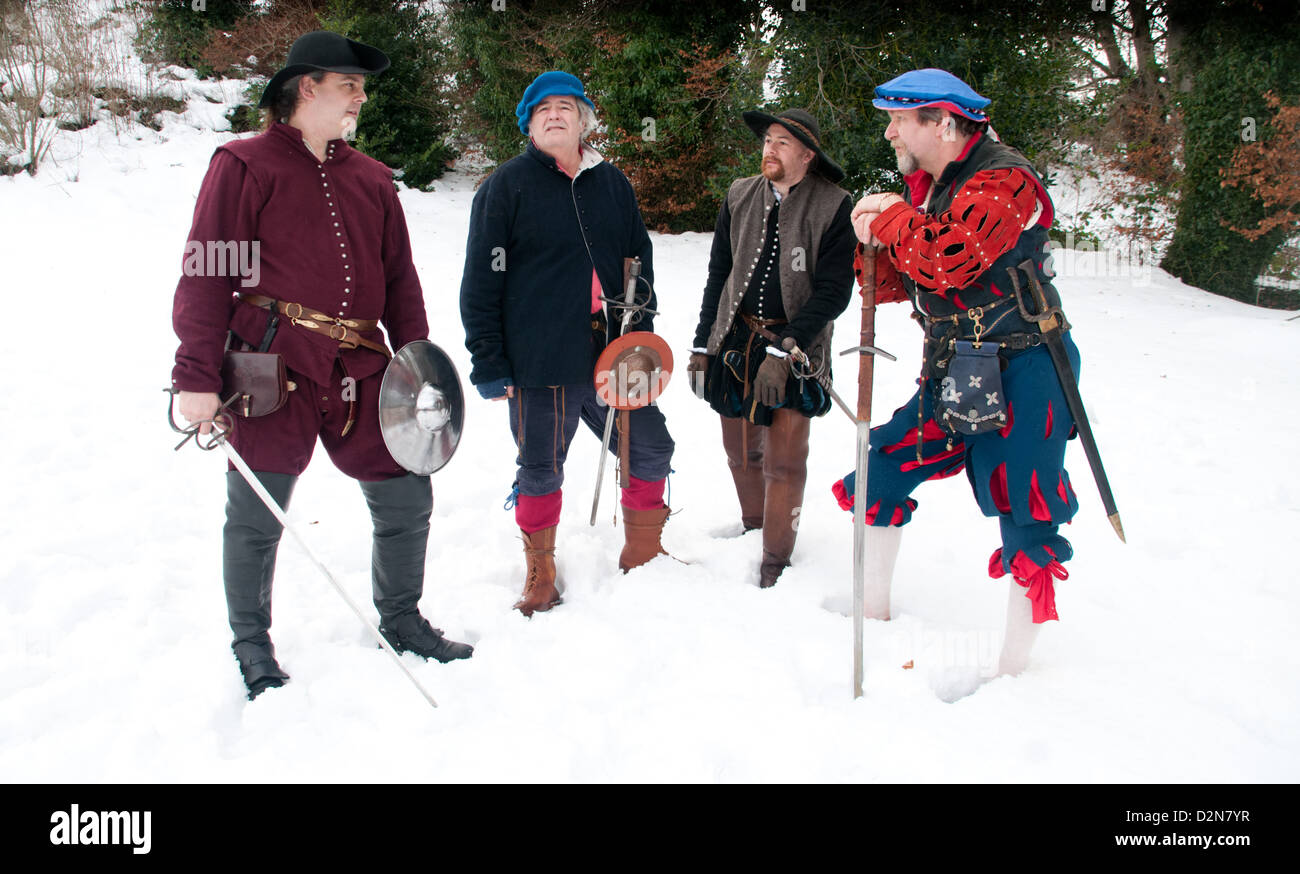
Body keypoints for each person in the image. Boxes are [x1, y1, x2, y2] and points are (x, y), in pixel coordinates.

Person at [171, 31, 472, 700]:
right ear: (307, 88)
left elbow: (400, 279)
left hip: (364, 369)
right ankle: (252, 646)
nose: (362, 97)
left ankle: (400, 619)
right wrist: (196, 375)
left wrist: (416, 362)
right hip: (270, 369)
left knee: (405, 491)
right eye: (349, 85)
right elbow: (206, 274)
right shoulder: (244, 165)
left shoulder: (370, 178)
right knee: (257, 513)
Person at [835, 68, 1082, 675]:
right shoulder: (928, 188)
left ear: (942, 122)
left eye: (900, 120)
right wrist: (868, 247)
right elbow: (911, 282)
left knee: (1024, 508)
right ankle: (872, 612)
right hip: (955, 367)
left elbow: (953, 260)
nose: (890, 134)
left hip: (1027, 367)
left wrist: (893, 220)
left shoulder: (1005, 180)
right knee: (883, 466)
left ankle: (1014, 670)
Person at [459, 71, 675, 616]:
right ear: (528, 125)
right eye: (541, 109)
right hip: (538, 356)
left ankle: (644, 551)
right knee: (539, 466)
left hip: (614, 350)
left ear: (584, 119)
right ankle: (541, 573)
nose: (554, 114)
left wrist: (641, 326)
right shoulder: (505, 187)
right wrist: (488, 359)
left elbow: (639, 258)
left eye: (565, 106)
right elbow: (481, 282)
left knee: (650, 446)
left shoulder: (612, 184)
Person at [688, 108, 855, 587]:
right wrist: (704, 342)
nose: (769, 149)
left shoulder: (833, 205)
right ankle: (754, 527)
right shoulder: (740, 194)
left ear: (807, 154)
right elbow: (719, 272)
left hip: (797, 344)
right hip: (736, 337)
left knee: (784, 459)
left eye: (783, 142)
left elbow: (834, 291)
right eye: (767, 140)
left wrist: (786, 350)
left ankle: (775, 559)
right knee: (740, 452)